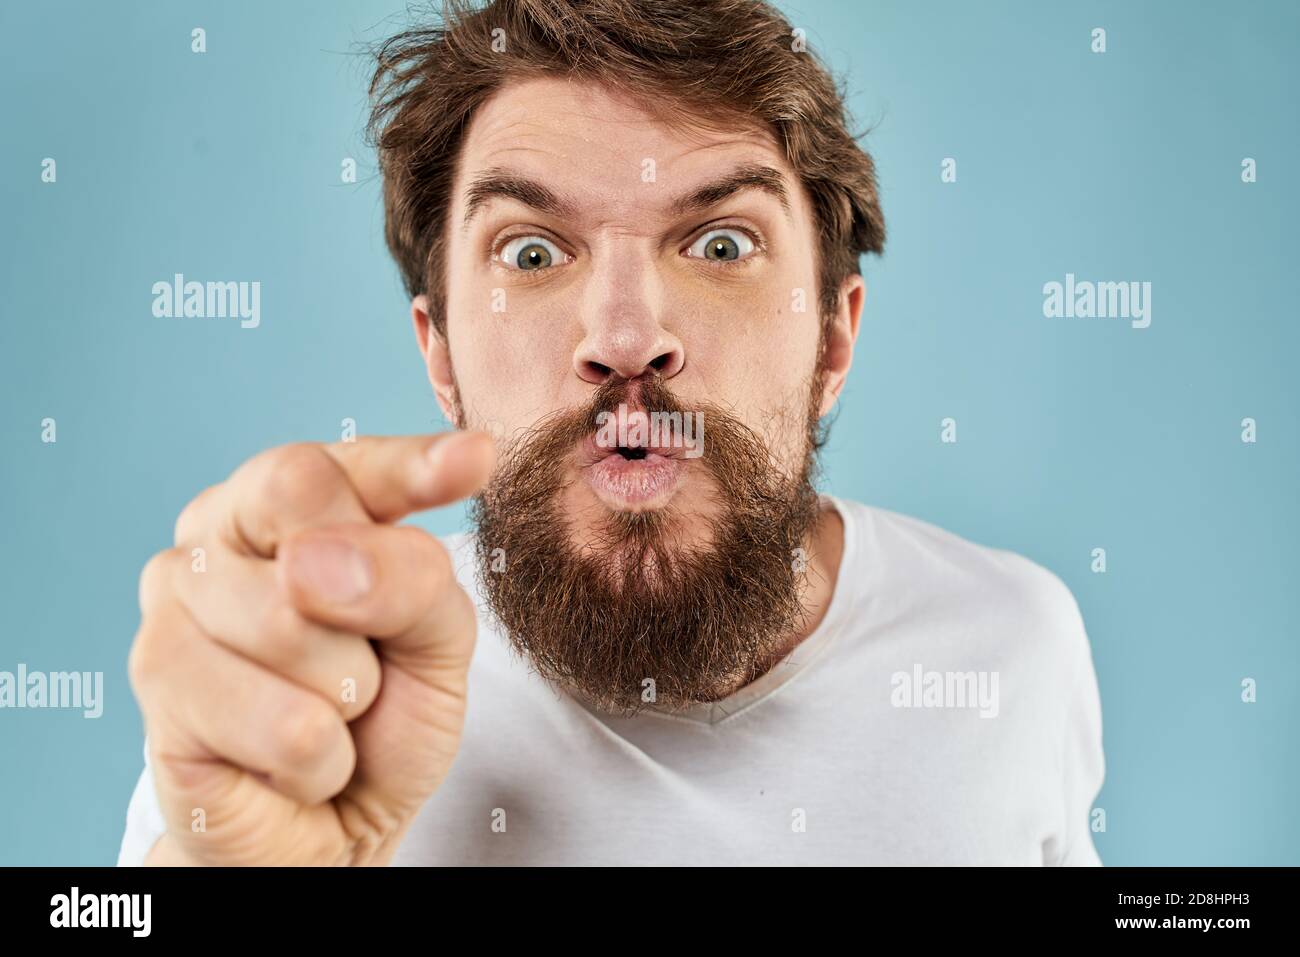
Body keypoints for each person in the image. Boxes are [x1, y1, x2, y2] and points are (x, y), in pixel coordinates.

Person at [118, 0, 1104, 866]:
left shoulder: (1009, 644)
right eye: (533, 252)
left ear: (834, 339)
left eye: (721, 244)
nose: (627, 340)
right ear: (443, 355)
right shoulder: (311, 697)